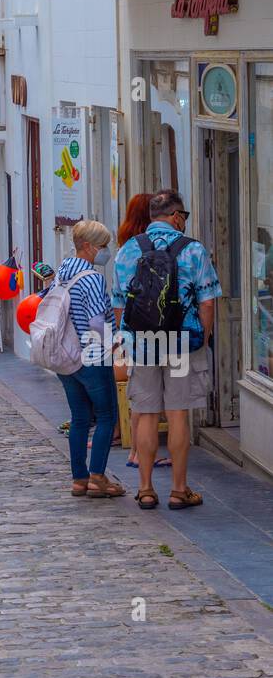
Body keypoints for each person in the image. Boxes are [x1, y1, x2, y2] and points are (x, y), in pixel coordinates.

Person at [112, 188, 221, 512]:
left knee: (144, 413)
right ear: (175, 216)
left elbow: (120, 304)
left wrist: (126, 340)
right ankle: (179, 489)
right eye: (182, 216)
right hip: (182, 342)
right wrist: (203, 336)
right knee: (177, 414)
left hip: (143, 343)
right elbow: (208, 300)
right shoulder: (193, 251)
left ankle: (145, 489)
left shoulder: (129, 250)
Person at [46, 220, 124, 499]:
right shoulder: (91, 278)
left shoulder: (62, 272)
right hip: (91, 355)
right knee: (106, 416)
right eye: (104, 246)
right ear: (89, 247)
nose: (107, 251)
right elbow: (96, 322)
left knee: (79, 418)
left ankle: (79, 478)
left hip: (65, 356)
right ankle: (98, 478)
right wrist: (112, 347)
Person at [115, 193, 159, 469]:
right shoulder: (159, 246)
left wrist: (122, 336)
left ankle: (135, 452)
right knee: (154, 400)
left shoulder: (125, 249)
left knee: (139, 395)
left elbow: (119, 299)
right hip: (162, 331)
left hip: (133, 332)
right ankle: (142, 455)